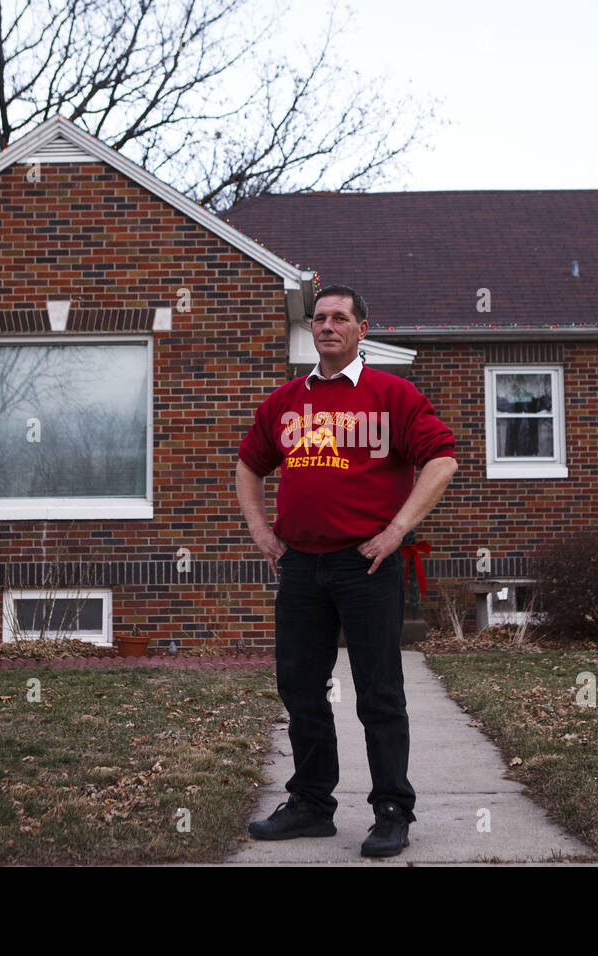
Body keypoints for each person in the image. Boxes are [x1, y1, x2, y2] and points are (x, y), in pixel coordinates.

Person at [235, 284, 457, 857]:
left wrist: (397, 529)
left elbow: (442, 459)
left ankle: (391, 812)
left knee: (379, 692)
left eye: (340, 317)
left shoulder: (392, 394)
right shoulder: (285, 401)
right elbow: (248, 463)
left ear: (362, 328)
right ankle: (311, 804)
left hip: (367, 563)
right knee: (301, 687)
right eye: (319, 318)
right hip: (301, 568)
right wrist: (261, 529)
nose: (328, 325)